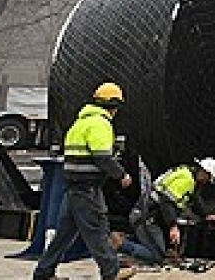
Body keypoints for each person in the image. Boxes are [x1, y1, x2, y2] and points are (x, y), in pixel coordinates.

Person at [33, 82, 135, 280]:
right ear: (114, 106)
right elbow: (102, 156)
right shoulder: (100, 124)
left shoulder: (79, 123)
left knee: (63, 235)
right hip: (88, 188)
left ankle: (44, 272)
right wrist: (121, 175)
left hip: (72, 187)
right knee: (97, 229)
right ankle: (111, 271)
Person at [125, 157, 215, 265]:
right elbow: (167, 202)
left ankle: (131, 239)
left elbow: (194, 199)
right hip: (144, 217)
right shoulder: (186, 179)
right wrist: (173, 226)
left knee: (160, 249)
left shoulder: (189, 177)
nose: (207, 182)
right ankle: (122, 244)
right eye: (208, 178)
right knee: (156, 257)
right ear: (204, 172)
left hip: (152, 217)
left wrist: (205, 215)